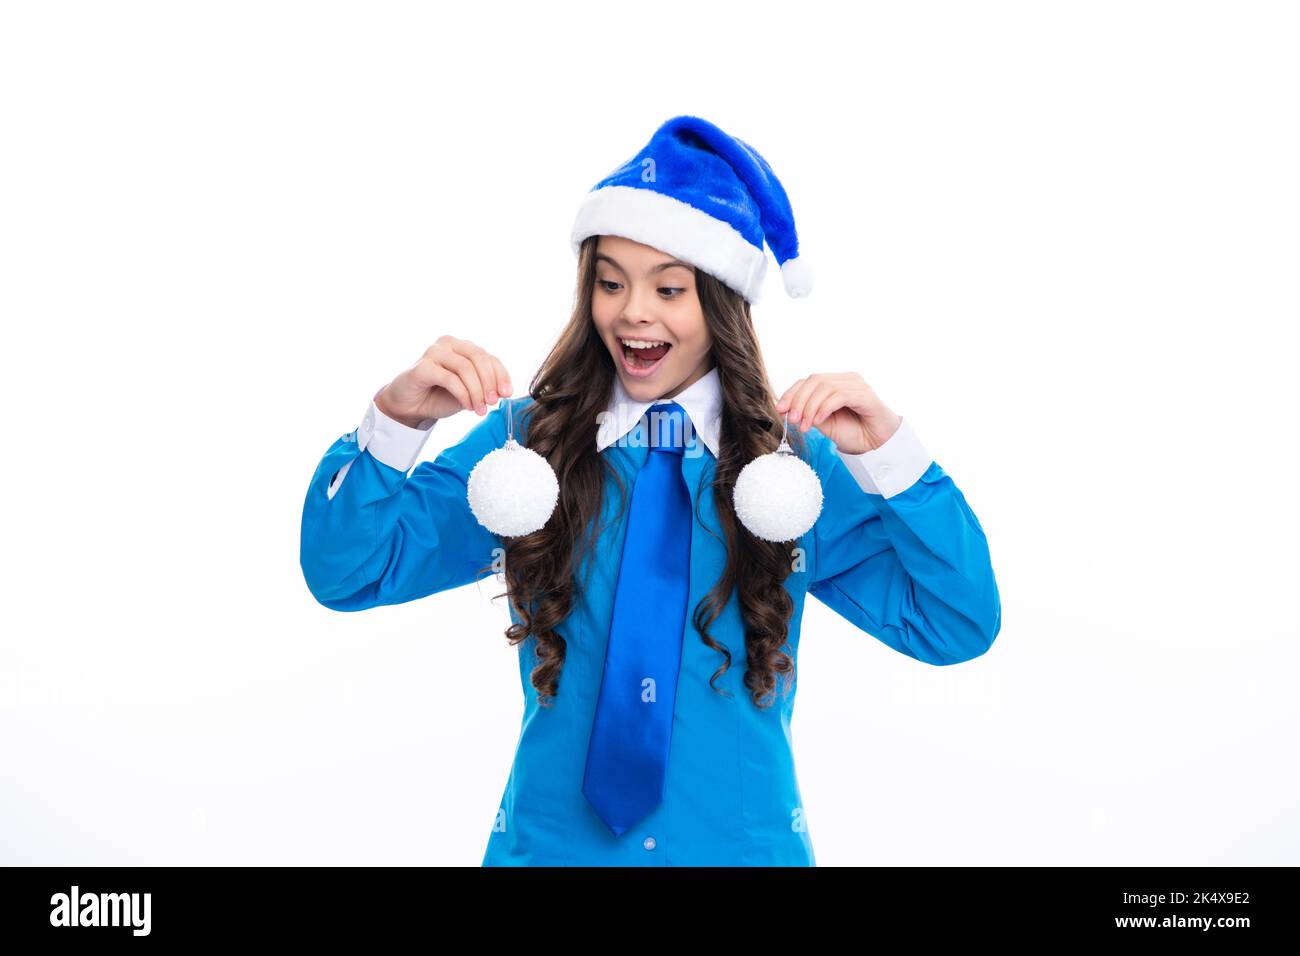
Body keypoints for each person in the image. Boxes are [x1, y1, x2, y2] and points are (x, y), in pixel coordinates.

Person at [299, 115, 1001, 866]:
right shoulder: (527, 448)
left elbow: (958, 622)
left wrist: (894, 458)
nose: (632, 311)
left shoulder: (792, 469)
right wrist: (397, 421)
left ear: (722, 304)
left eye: (669, 287)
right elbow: (350, 571)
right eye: (610, 283)